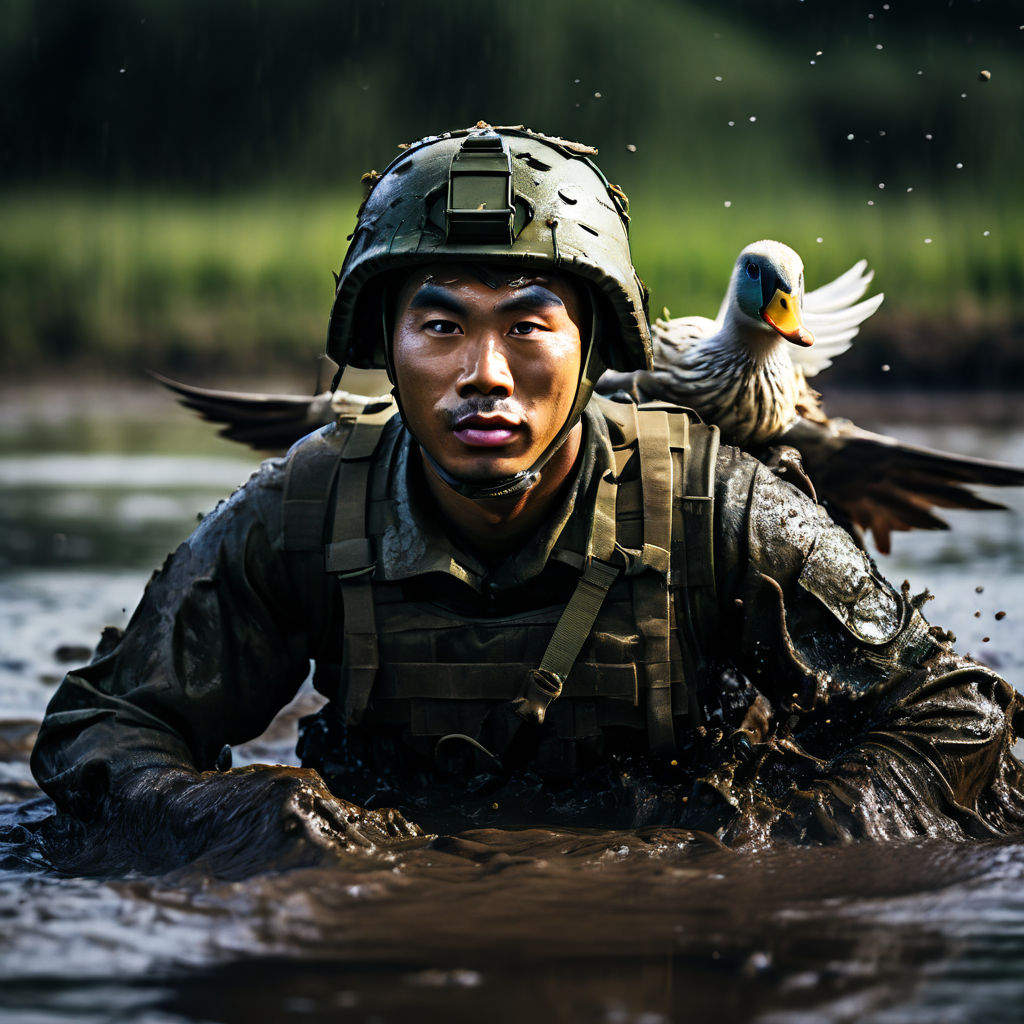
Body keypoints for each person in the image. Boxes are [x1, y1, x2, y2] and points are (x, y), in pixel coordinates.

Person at [30, 124, 1024, 877]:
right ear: (388, 345)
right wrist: (244, 824)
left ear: (593, 347)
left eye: (529, 326)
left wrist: (776, 848)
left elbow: (958, 716)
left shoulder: (715, 504)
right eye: (441, 325)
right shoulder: (312, 500)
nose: (485, 375)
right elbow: (102, 726)